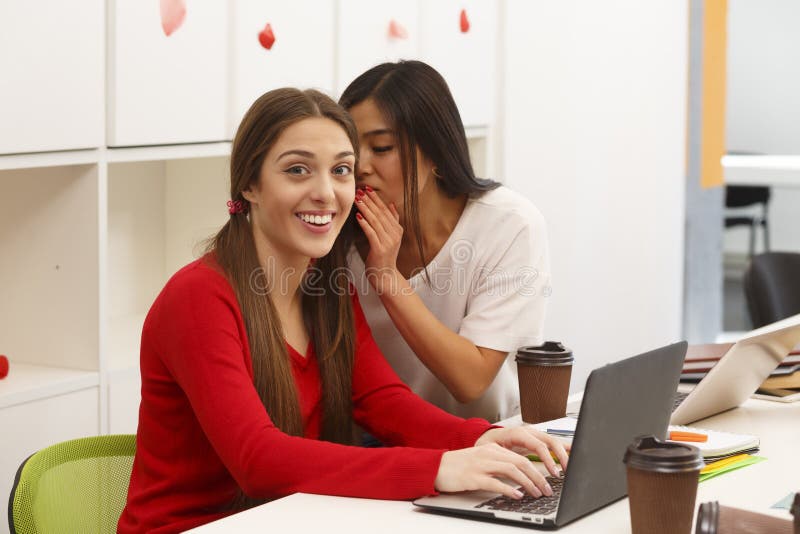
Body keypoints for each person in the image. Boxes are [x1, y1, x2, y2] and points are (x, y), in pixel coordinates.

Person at [117, 88, 568, 533]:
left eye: (341, 171)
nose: (326, 193)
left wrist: (477, 437)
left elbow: (379, 399)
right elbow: (258, 459)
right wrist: (438, 467)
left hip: (287, 520)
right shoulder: (197, 297)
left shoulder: (326, 286)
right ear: (250, 185)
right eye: (297, 170)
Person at [340, 61, 551, 423]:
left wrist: (387, 279)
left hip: (487, 438)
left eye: (382, 147)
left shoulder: (508, 224)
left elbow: (471, 381)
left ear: (435, 150)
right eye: (348, 149)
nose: (360, 165)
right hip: (377, 444)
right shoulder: (336, 234)